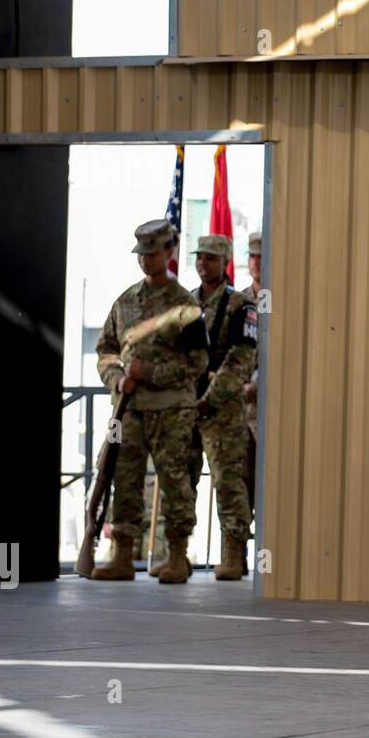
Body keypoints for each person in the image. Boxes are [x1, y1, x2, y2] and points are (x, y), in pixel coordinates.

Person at [92, 219, 208, 583]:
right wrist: (118, 378)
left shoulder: (185, 305)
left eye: (153, 254)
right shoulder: (125, 301)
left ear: (170, 252)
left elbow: (198, 362)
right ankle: (123, 554)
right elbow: (106, 350)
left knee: (175, 480)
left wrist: (152, 374)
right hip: (131, 408)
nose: (145, 261)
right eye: (141, 255)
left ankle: (176, 554)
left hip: (171, 409)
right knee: (124, 479)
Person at [190, 234, 258, 580]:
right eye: (200, 258)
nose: (204, 263)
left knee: (229, 482)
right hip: (187, 407)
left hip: (222, 409)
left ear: (224, 263)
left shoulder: (240, 305)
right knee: (181, 480)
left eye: (211, 258)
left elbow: (240, 360)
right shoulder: (186, 303)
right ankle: (176, 552)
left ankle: (234, 553)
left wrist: (209, 399)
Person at [242, 231, 262, 517]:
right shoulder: (239, 302)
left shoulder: (284, 299)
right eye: (252, 257)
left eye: (262, 256)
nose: (256, 263)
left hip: (271, 409)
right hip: (242, 409)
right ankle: (237, 557)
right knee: (240, 484)